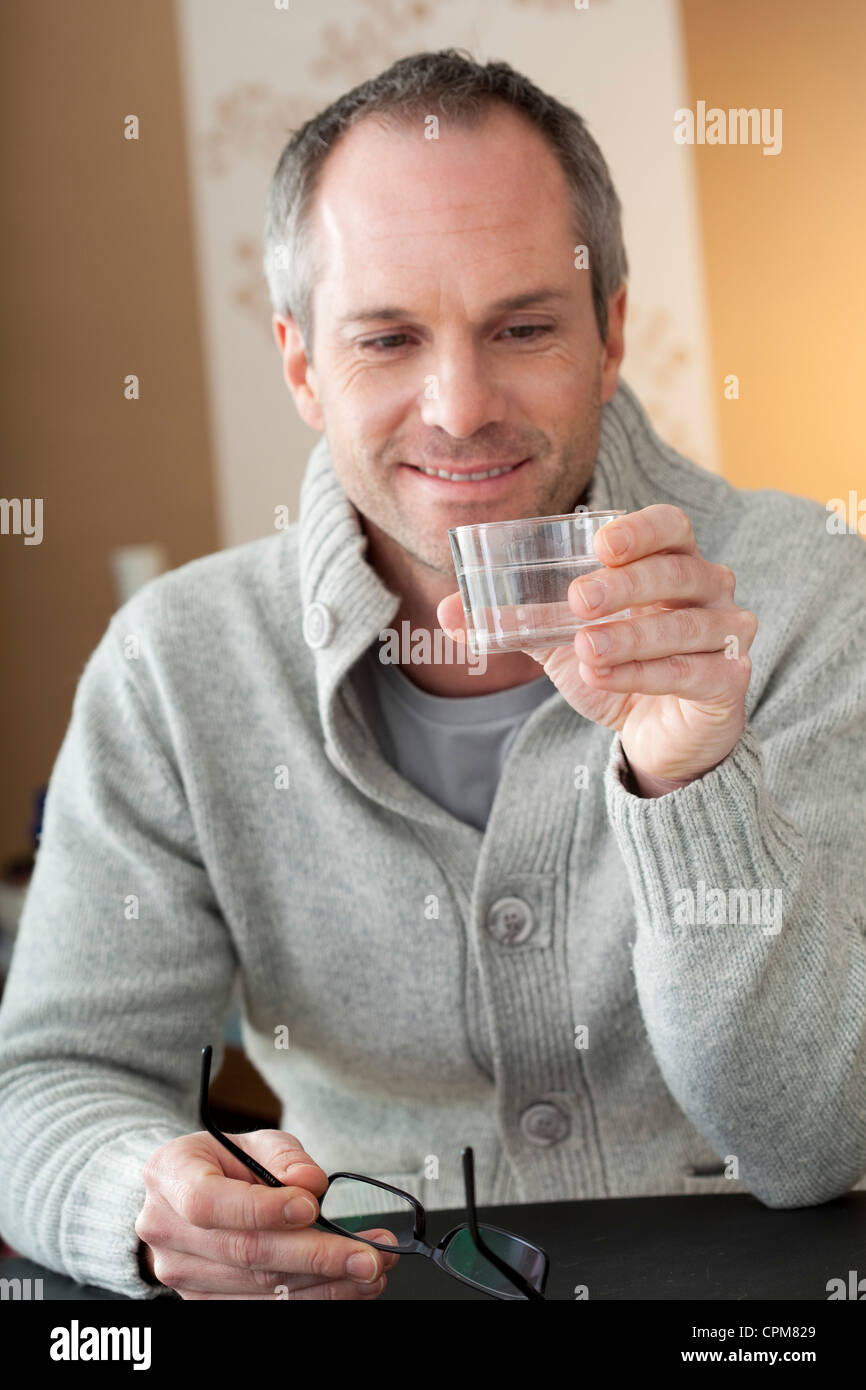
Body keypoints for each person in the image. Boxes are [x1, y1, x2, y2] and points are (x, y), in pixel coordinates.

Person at [1, 49, 864, 1302]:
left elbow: (812, 1143)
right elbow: (48, 1080)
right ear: (301, 364)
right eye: (387, 337)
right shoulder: (178, 663)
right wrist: (142, 1200)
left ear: (609, 329)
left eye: (521, 326)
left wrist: (691, 781)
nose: (458, 407)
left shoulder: (811, 597)